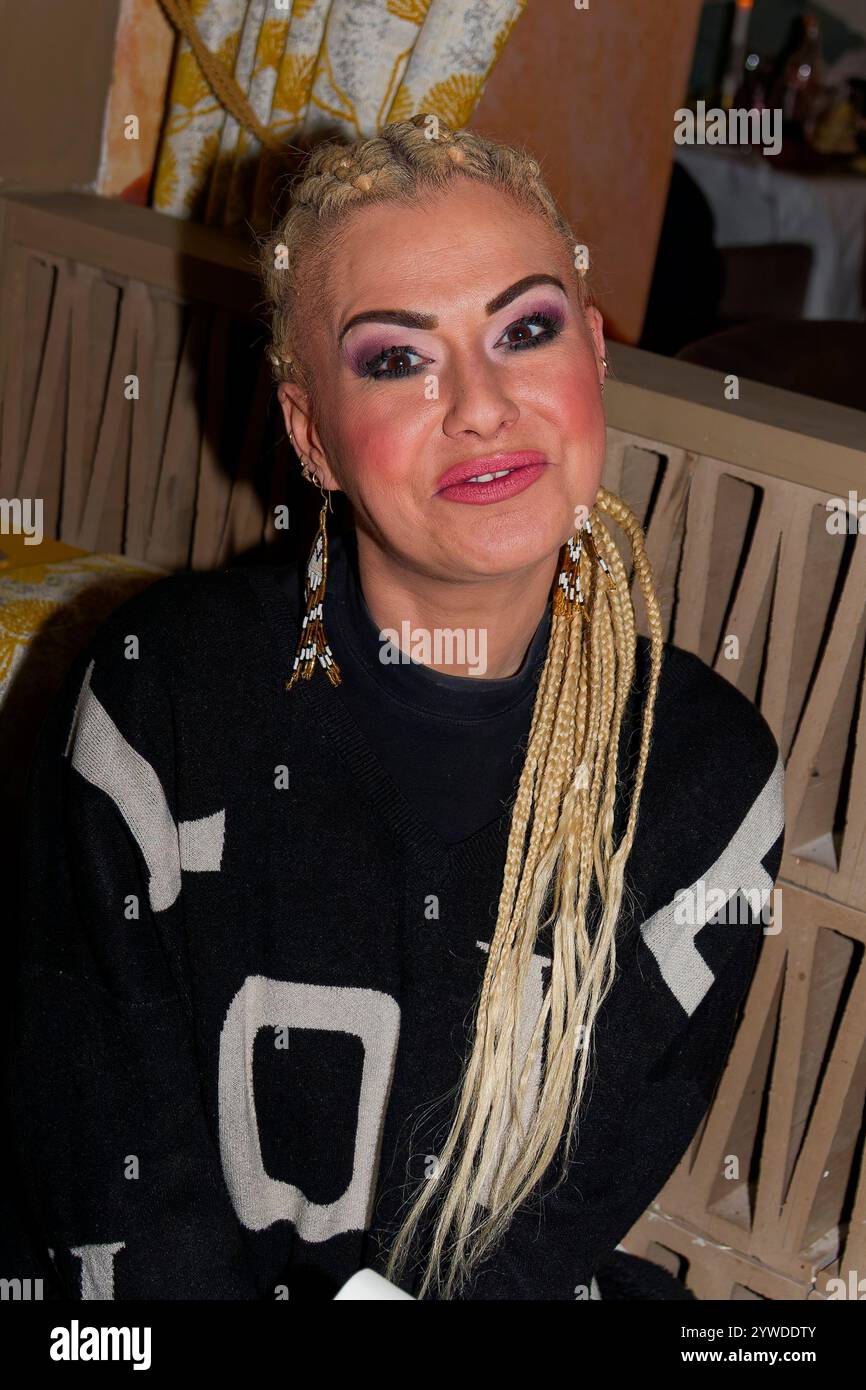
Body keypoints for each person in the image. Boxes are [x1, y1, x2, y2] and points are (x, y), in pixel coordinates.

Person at [9, 114, 784, 1302]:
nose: (479, 404)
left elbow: (554, 1215)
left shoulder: (700, 776)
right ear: (309, 436)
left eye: (523, 331)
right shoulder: (162, 693)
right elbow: (114, 1183)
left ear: (592, 354)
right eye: (395, 359)